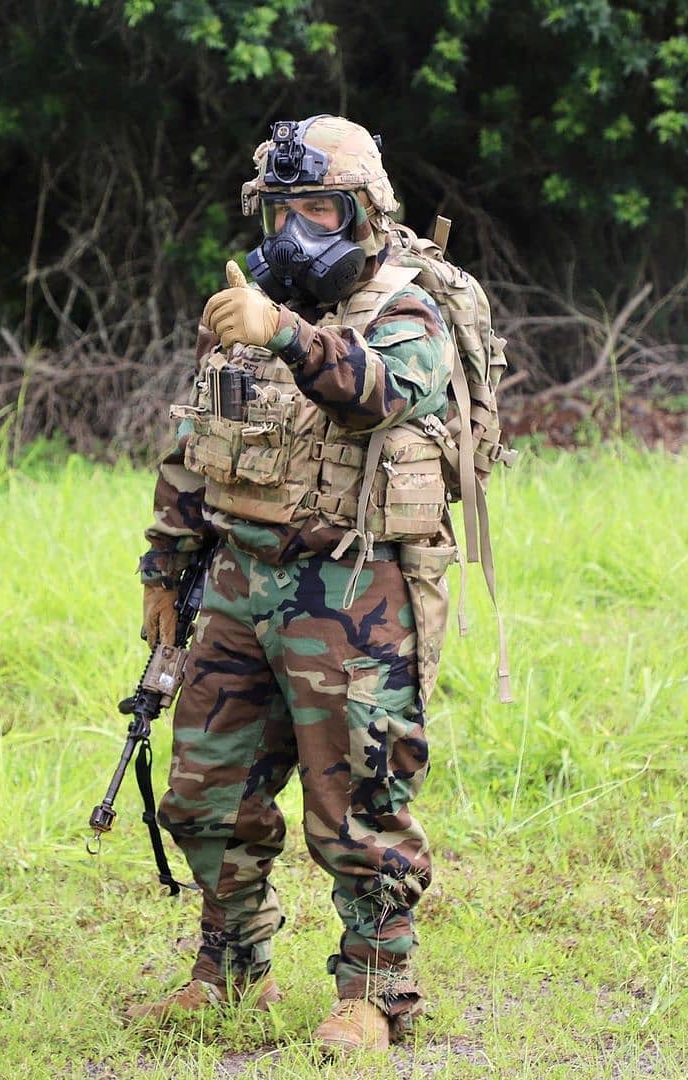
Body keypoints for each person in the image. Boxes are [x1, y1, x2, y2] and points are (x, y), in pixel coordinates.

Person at [124, 115, 456, 1053]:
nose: (300, 227)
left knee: (359, 801)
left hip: (352, 583)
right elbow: (199, 439)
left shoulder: (404, 303)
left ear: (365, 210)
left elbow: (386, 393)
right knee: (204, 790)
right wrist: (166, 560)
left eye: (322, 207)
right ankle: (229, 970)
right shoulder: (245, 302)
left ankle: (376, 991)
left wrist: (287, 335)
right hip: (238, 576)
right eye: (285, 208)